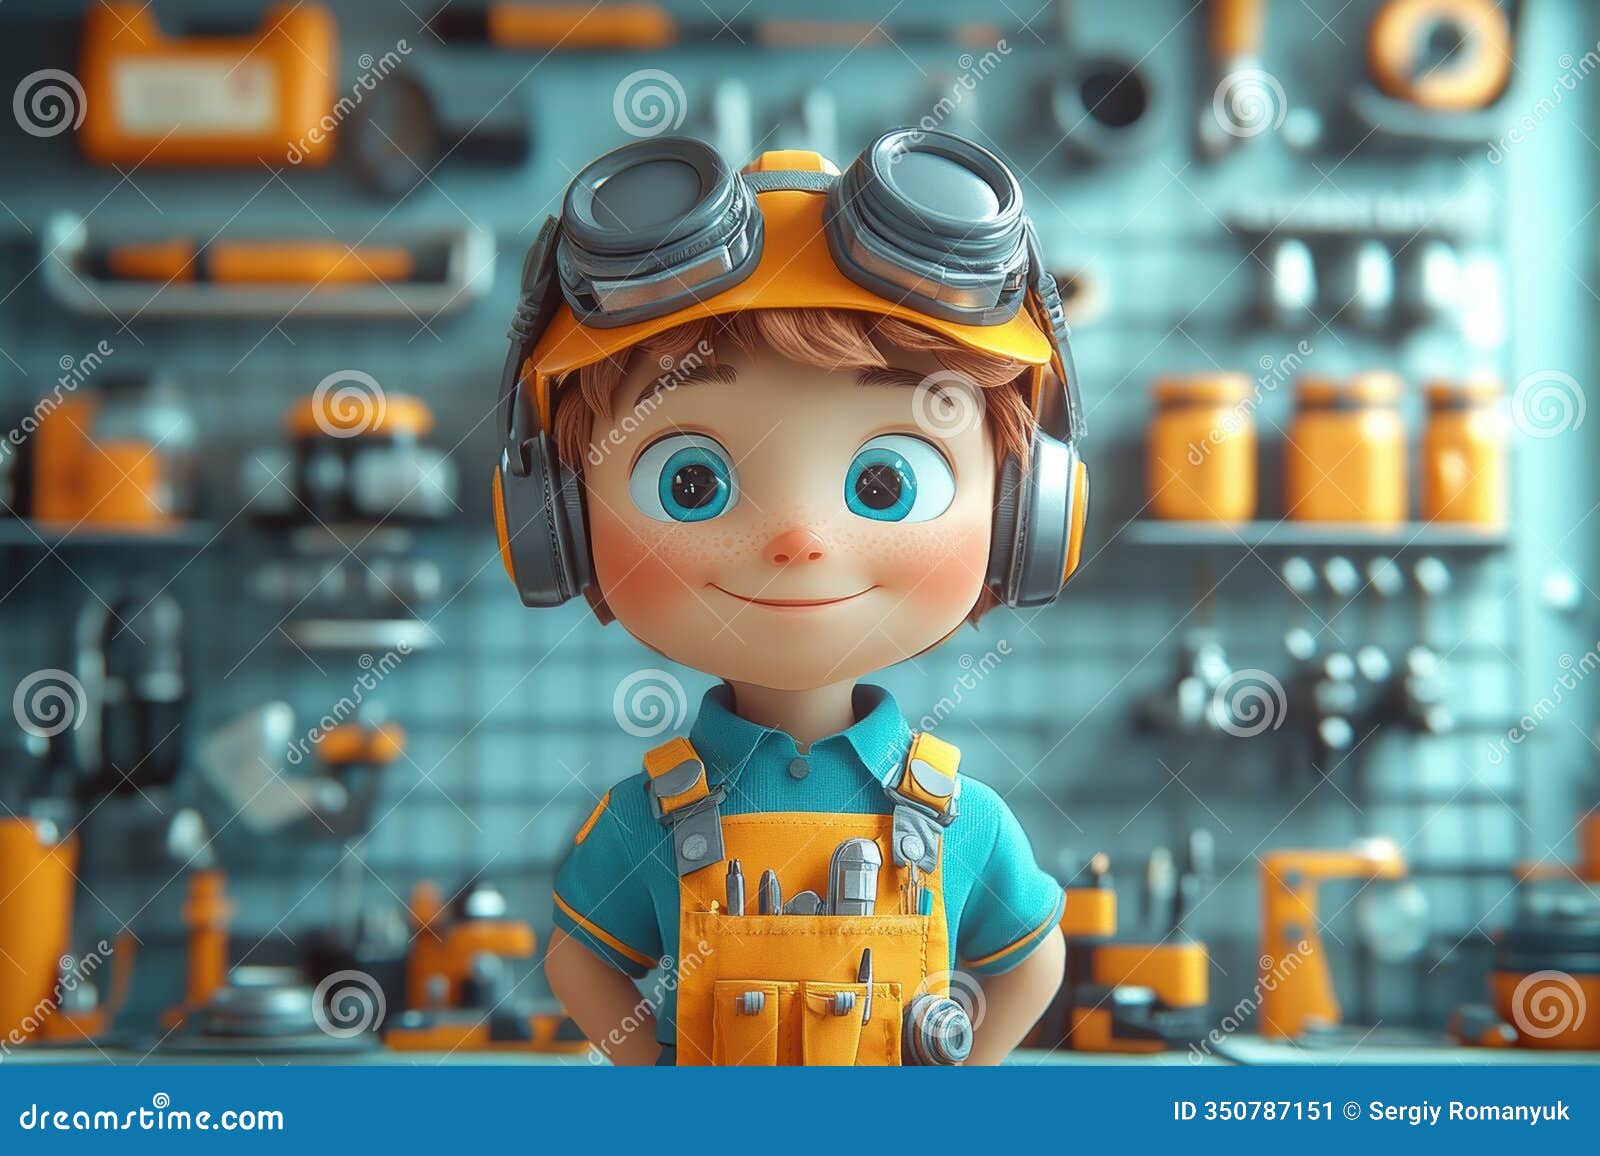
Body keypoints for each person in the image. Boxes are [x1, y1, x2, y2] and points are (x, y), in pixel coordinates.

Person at [491, 130, 1090, 1065]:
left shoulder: (952, 811)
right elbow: (581, 959)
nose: (797, 541)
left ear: (1029, 515)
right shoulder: (653, 811)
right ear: (555, 521)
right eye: (688, 482)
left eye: (887, 483)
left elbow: (1033, 959)